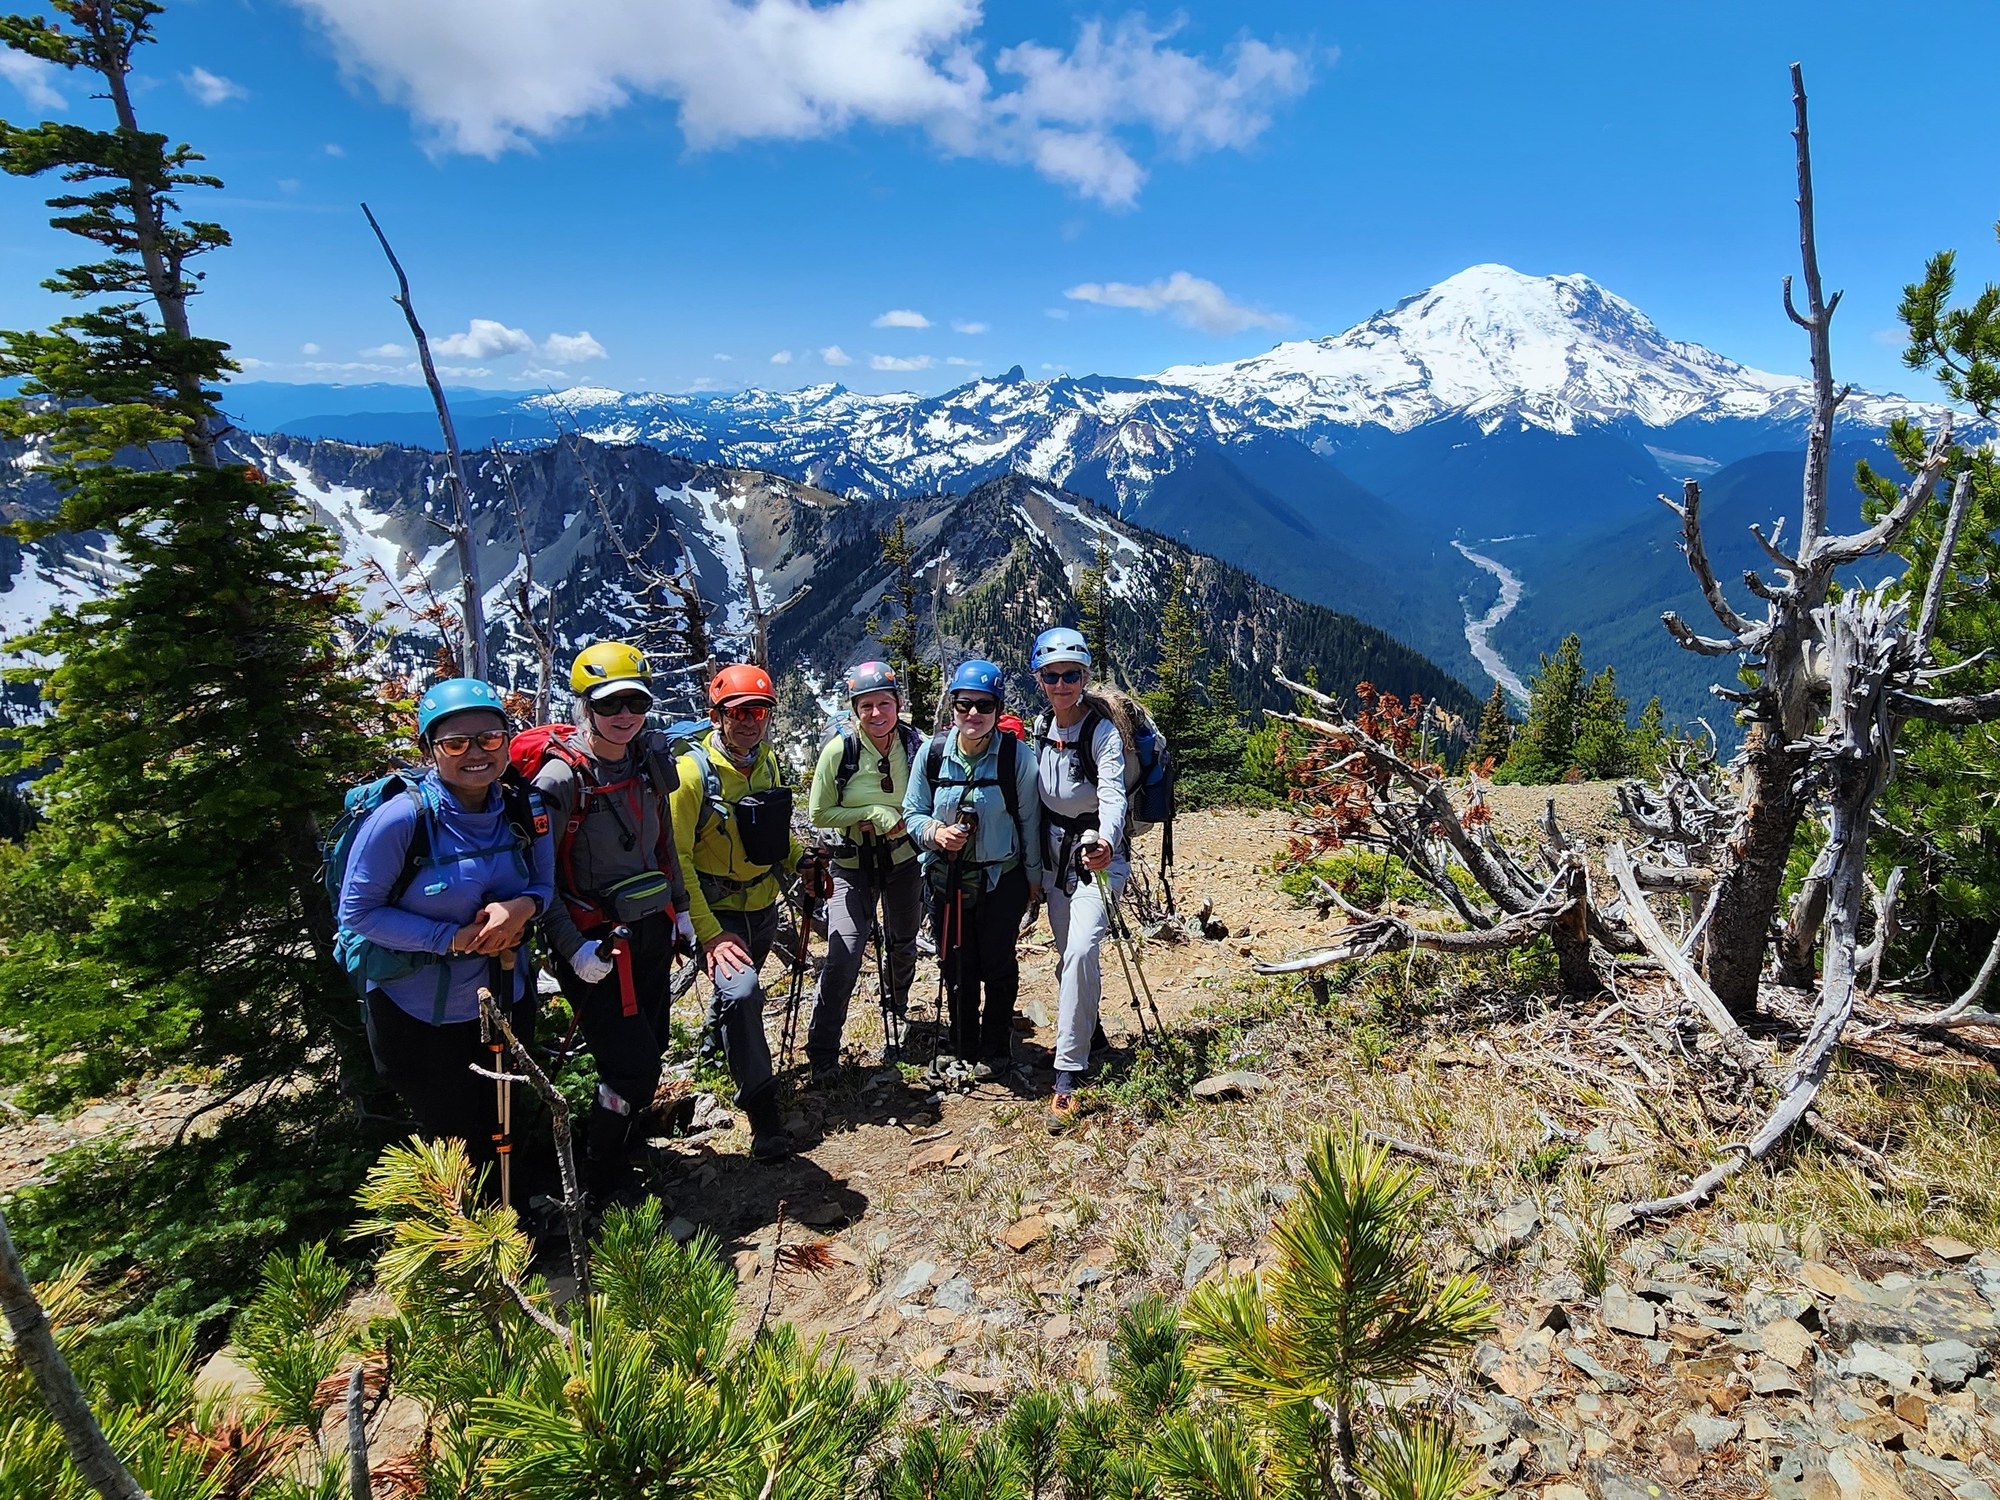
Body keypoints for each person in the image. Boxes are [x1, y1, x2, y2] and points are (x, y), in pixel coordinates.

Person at [338, 677, 553, 1178]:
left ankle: (513, 1220)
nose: (475, 752)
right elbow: (358, 913)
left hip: (506, 993)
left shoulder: (526, 807)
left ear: (506, 738)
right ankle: (469, 1240)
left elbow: (545, 885)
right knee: (454, 1134)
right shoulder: (400, 820)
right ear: (430, 750)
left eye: (490, 739)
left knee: (506, 1117)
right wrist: (451, 940)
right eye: (455, 743)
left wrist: (521, 908)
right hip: (419, 1017)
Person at [525, 642, 695, 1204]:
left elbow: (663, 842)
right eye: (609, 704)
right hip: (596, 945)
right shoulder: (558, 781)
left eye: (635, 701)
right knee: (633, 1064)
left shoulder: (647, 759)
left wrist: (683, 909)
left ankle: (619, 1141)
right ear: (585, 707)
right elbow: (541, 881)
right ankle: (600, 1171)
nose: (624, 714)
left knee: (653, 1044)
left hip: (650, 930)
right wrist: (572, 951)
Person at [672, 662, 830, 1161]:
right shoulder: (690, 776)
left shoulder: (767, 762)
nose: (749, 721)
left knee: (737, 1001)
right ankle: (764, 1115)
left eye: (758, 711)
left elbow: (772, 832)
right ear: (717, 715)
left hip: (763, 905)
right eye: (738, 712)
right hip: (719, 912)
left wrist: (800, 859)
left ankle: (713, 1055)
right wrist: (710, 934)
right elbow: (677, 860)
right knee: (743, 995)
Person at [903, 660, 1042, 1082]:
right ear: (953, 707)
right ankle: (963, 1044)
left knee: (997, 961)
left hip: (1003, 877)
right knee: (956, 963)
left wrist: (1034, 879)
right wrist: (934, 833)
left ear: (998, 709)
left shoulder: (1016, 757)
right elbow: (911, 812)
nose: (974, 714)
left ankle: (996, 1046)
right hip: (947, 877)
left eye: (984, 705)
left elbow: (1030, 821)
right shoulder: (931, 755)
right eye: (965, 704)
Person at [803, 661, 925, 1081]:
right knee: (845, 952)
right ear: (855, 709)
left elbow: (928, 798)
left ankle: (897, 1009)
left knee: (904, 941)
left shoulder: (915, 746)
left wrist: (908, 819)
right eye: (866, 705)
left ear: (899, 704)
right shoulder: (840, 751)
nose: (876, 714)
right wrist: (869, 812)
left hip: (903, 859)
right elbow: (819, 811)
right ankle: (822, 1049)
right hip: (852, 865)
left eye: (884, 704)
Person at [1029, 627, 1128, 1132]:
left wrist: (1106, 840)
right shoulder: (1040, 726)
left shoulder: (1102, 733)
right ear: (1040, 680)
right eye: (1053, 675)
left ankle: (1066, 1075)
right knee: (1070, 952)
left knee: (1082, 950)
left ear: (1084, 677)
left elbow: (1113, 793)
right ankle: (1093, 1036)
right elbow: (1033, 801)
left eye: (1071, 675)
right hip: (1052, 859)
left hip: (1095, 856)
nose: (1062, 683)